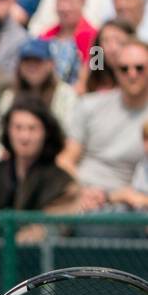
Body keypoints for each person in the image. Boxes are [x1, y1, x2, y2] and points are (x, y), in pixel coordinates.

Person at [61, 37, 148, 217]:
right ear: (115, 71)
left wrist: (112, 196)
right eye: (124, 69)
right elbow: (66, 159)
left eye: (140, 68)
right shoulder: (89, 105)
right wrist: (81, 191)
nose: (132, 74)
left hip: (125, 203)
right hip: (80, 192)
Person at [0, 97, 79, 243]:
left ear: (46, 133)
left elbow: (51, 227)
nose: (24, 136)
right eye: (18, 128)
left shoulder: (61, 182)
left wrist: (10, 247)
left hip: (38, 261)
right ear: (8, 131)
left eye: (32, 128)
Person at [0, 38, 77, 138]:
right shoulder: (10, 95)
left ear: (50, 64)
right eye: (27, 61)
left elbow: (68, 135)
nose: (32, 66)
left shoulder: (65, 94)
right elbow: (1, 132)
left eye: (37, 61)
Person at [37, 0, 97, 84]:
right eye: (60, 0)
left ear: (83, 0)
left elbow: (98, 73)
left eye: (70, 0)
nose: (64, 7)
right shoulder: (45, 37)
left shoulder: (96, 39)